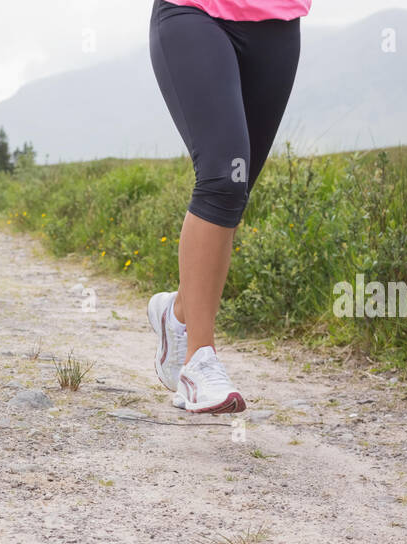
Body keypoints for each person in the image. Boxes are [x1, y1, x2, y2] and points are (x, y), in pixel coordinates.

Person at [147, 0, 310, 413]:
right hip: (193, 12)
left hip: (277, 19)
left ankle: (177, 312)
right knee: (222, 177)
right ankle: (198, 364)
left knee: (235, 190)